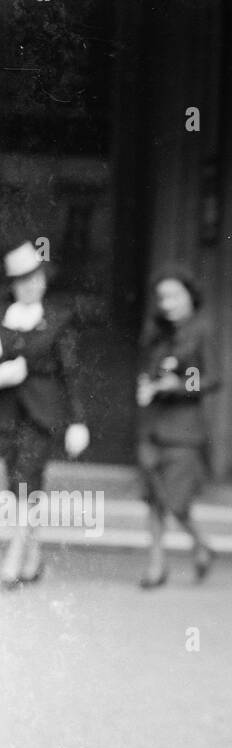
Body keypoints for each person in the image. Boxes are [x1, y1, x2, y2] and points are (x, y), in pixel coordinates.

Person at [0, 241, 90, 588]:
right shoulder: (4, 318)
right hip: (6, 413)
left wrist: (78, 420)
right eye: (22, 280)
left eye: (35, 278)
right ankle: (33, 559)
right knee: (17, 485)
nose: (30, 285)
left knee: (27, 478)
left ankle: (14, 555)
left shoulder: (58, 321)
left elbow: (72, 373)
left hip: (41, 413)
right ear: (12, 284)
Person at [135, 267, 218, 588]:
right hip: (152, 425)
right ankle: (156, 563)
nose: (167, 303)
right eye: (162, 297)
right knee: (153, 498)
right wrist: (147, 382)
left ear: (189, 296)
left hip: (183, 431)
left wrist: (179, 384)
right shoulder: (157, 332)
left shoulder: (202, 331)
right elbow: (148, 368)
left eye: (174, 296)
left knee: (176, 501)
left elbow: (213, 378)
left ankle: (201, 544)